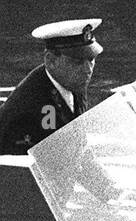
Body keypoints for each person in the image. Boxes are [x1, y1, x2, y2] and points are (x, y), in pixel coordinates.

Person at [0, 18, 102, 155]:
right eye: (77, 61)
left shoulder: (71, 82)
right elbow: (27, 171)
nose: (87, 69)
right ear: (50, 60)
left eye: (91, 59)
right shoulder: (31, 108)